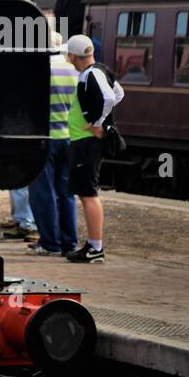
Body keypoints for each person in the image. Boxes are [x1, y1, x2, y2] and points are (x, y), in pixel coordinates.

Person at [65, 34, 124, 263]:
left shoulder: (91, 74)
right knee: (86, 192)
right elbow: (119, 93)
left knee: (89, 193)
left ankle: (96, 247)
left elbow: (110, 98)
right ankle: (92, 244)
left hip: (86, 141)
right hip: (84, 141)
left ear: (72, 56)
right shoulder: (98, 71)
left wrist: (98, 123)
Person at [27, 37, 80, 256]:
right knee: (67, 192)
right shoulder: (74, 72)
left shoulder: (38, 72)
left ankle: (51, 243)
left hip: (44, 139)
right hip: (69, 138)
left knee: (43, 193)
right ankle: (70, 242)